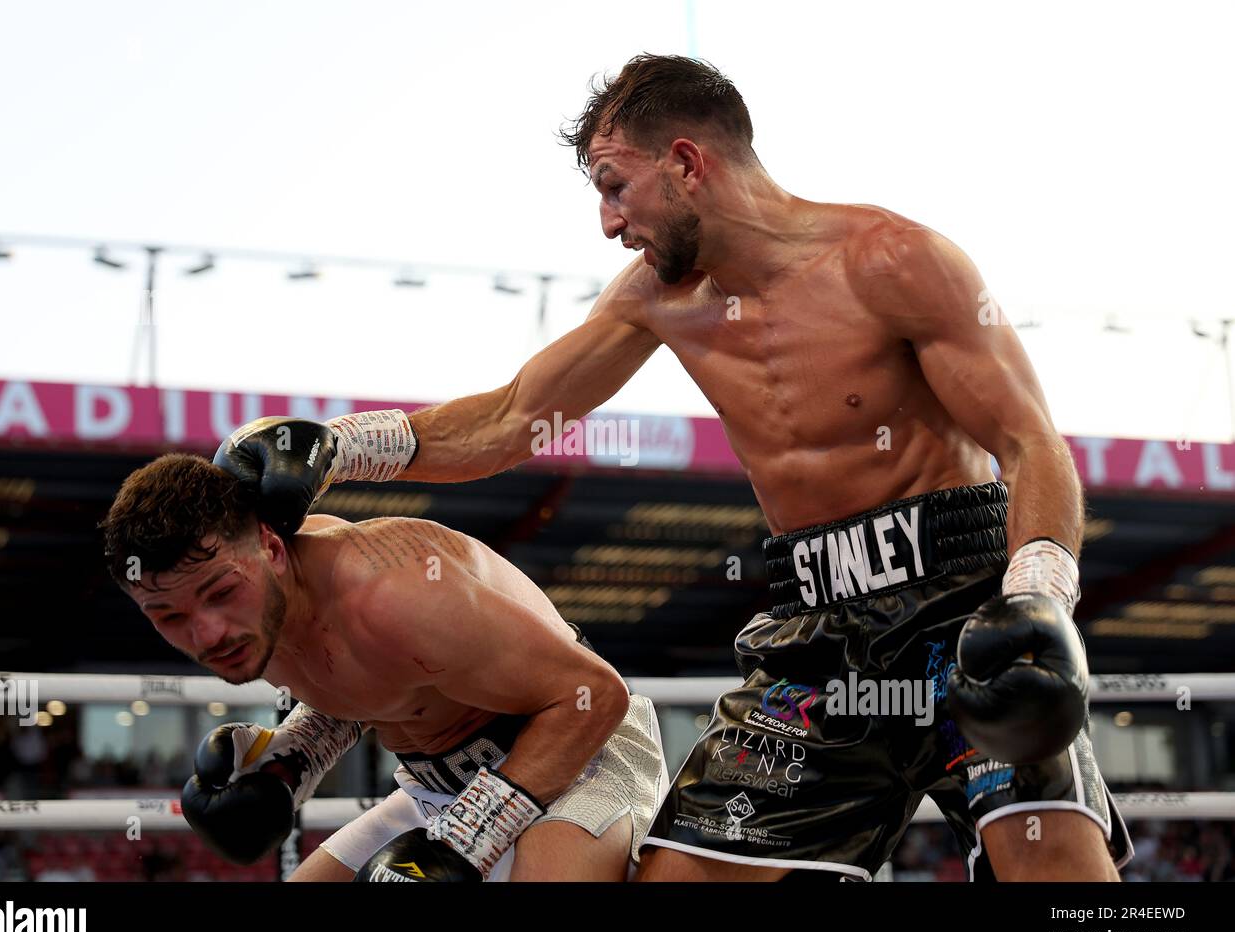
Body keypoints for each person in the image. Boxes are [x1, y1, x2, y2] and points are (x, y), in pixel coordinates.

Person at [221, 53, 1131, 882]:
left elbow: (1030, 442)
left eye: (617, 187)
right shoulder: (659, 299)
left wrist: (1040, 596)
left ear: (688, 163)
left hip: (961, 604)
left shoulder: (893, 259)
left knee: (1059, 880)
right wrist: (337, 444)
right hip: (814, 638)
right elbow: (509, 421)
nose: (610, 223)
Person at [100, 453, 667, 881]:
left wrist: (469, 837)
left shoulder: (394, 593)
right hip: (438, 786)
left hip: (578, 757)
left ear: (271, 550)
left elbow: (592, 694)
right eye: (167, 615)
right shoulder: (253, 620)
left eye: (220, 593)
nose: (207, 634)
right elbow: (373, 682)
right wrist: (295, 759)